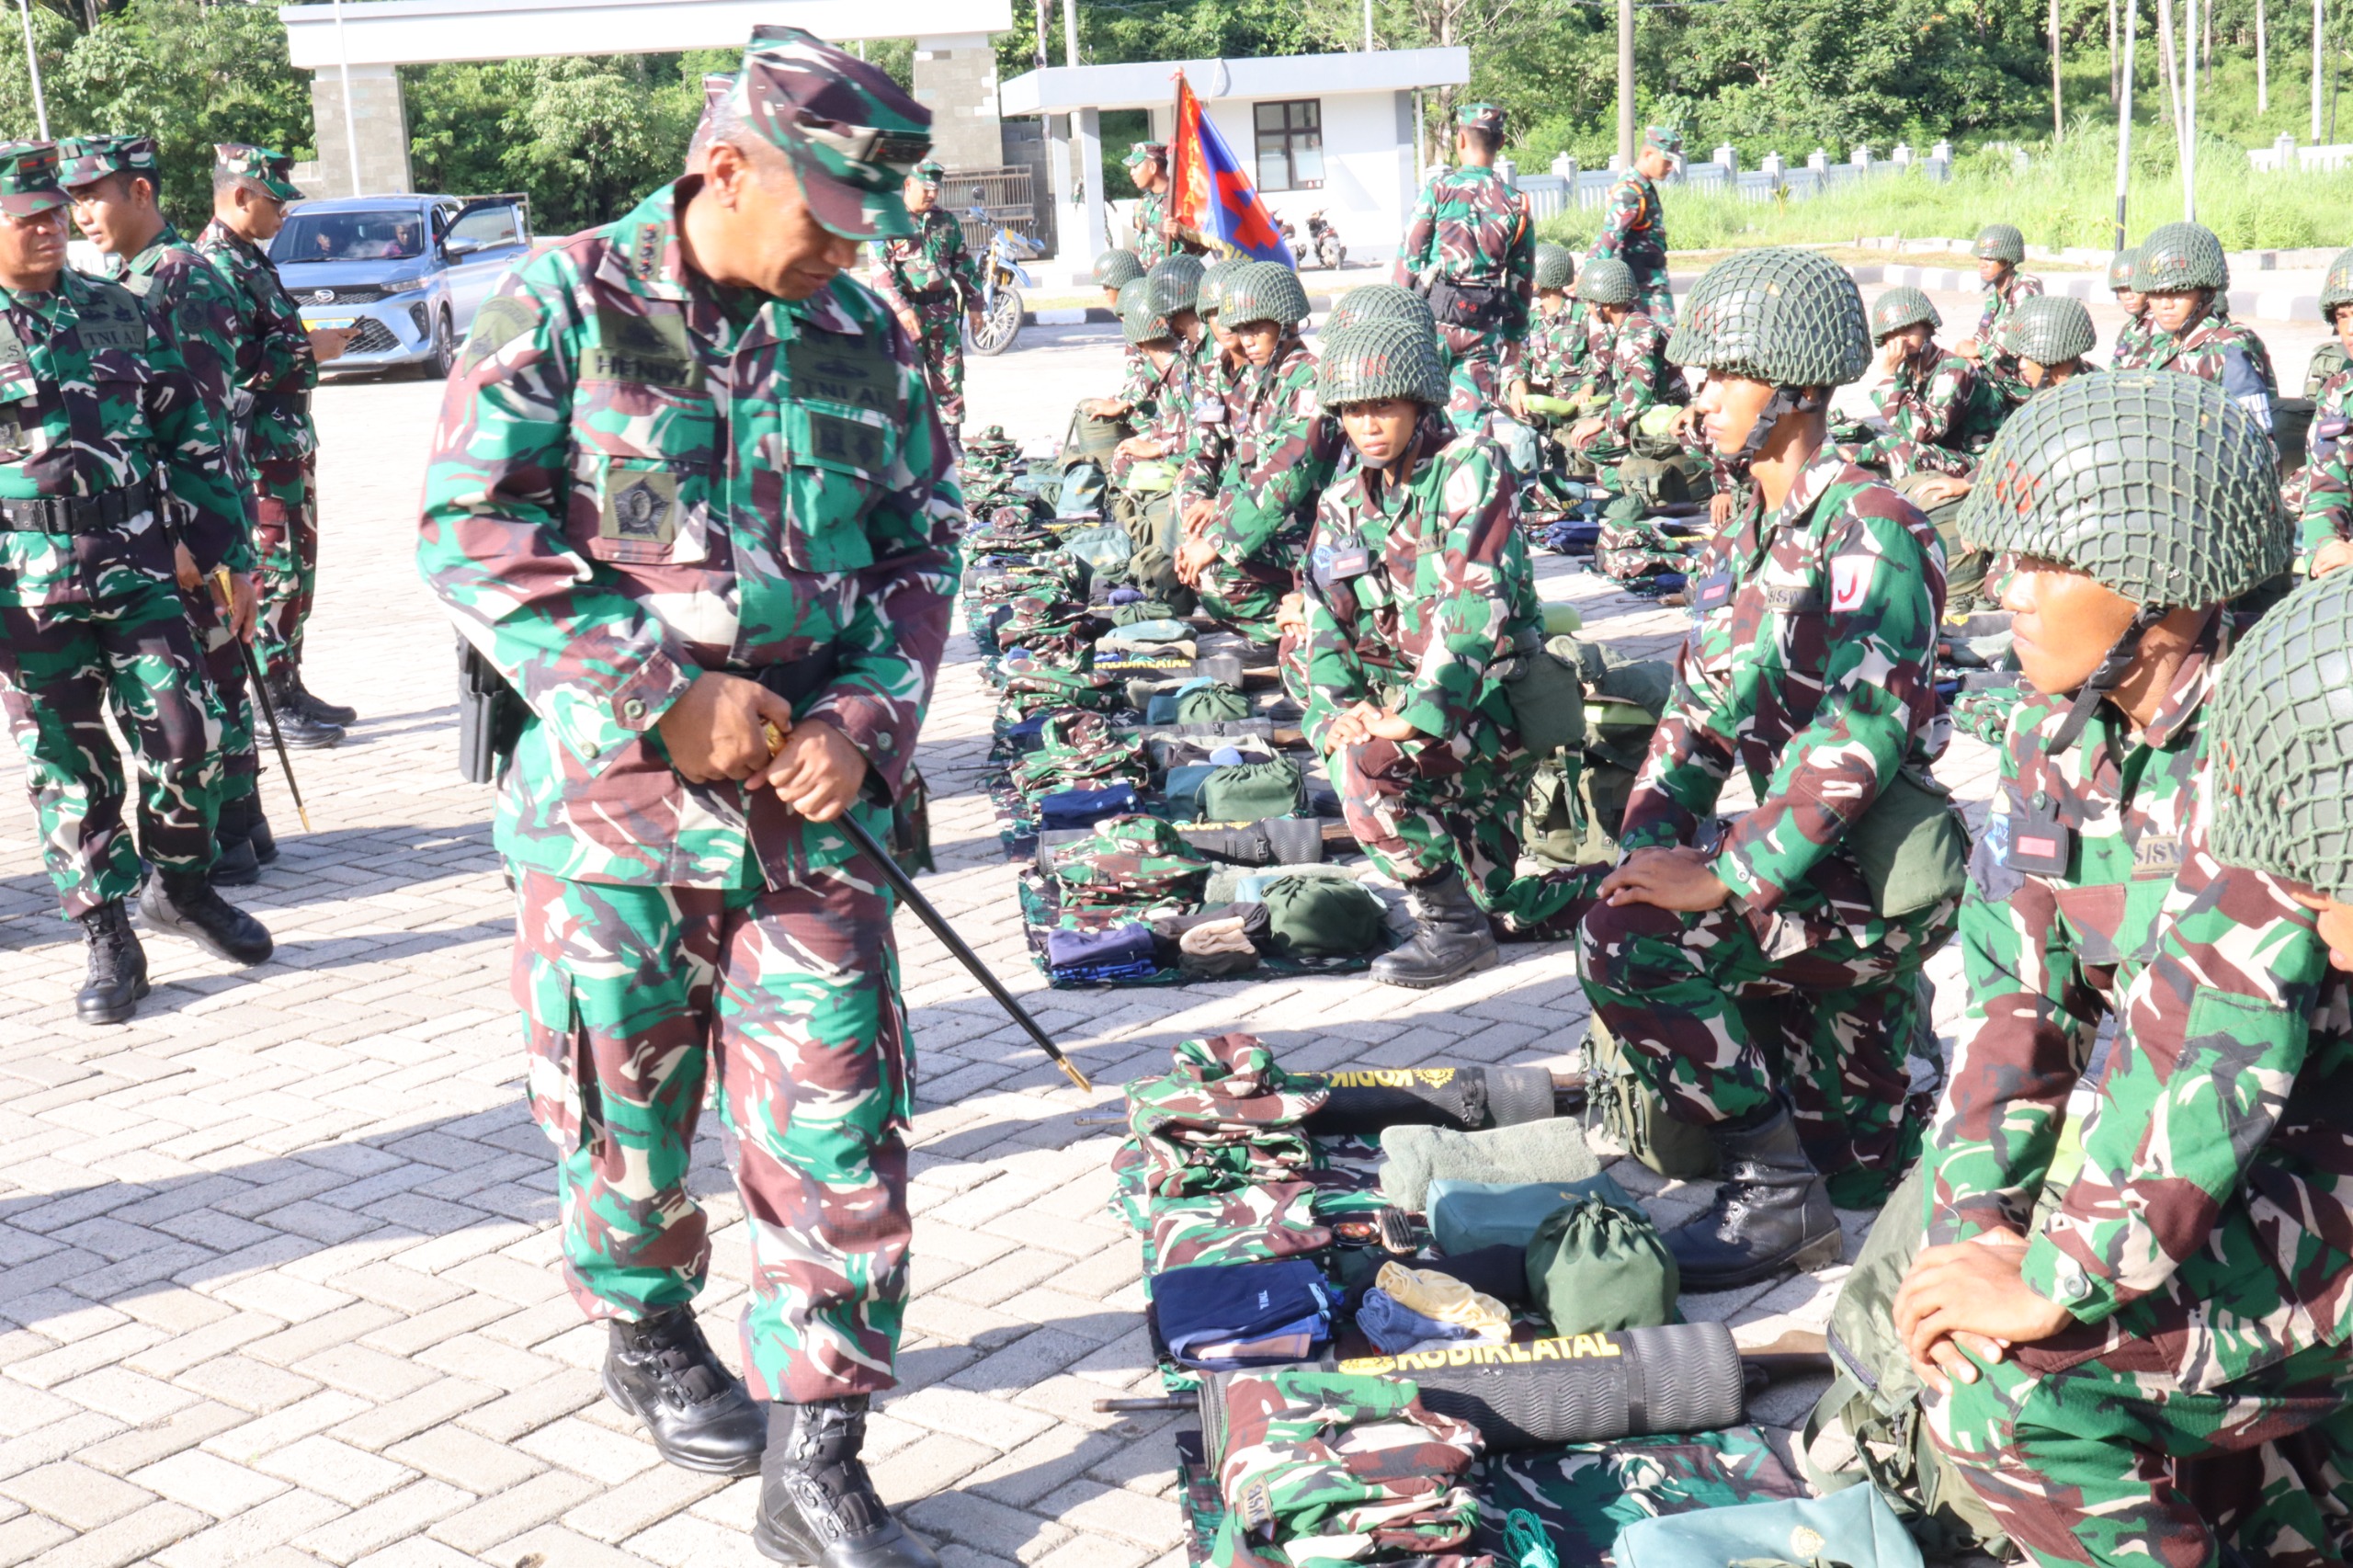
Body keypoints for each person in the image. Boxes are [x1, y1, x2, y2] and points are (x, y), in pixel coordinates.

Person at [415, 31, 960, 1567]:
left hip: (813, 819)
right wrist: (659, 689)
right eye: (830, 209)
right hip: (617, 820)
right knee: (624, 1122)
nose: (851, 243)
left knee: (840, 1129)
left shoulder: (862, 331)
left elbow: (922, 552)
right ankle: (649, 1330)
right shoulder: (566, 301)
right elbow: (468, 526)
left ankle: (820, 1453)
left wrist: (864, 718)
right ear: (728, 166)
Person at [1899, 562, 2353, 1568]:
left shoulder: (2290, 728)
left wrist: (2058, 1280)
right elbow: (2011, 1005)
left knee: (2012, 1385)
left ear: (2168, 593)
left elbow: (2207, 1047)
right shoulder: (2054, 735)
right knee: (1944, 1296)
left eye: (2053, 564)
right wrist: (1973, 1226)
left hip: (2298, 1177)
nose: (2010, 593)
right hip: (2243, 1169)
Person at [1579, 246, 1955, 1286]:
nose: (1695, 402)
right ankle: (1853, 1094)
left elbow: (1857, 737)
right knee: (1862, 1155)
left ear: (1791, 390)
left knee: (1634, 945)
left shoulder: (1871, 530)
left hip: (1873, 875)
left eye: (1720, 378)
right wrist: (1652, 842)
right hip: (1803, 860)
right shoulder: (1745, 524)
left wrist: (1720, 878)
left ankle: (1775, 1193)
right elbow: (1697, 711)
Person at [0, 140, 274, 1024]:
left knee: (186, 736)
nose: (50, 229)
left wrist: (222, 545)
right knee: (68, 772)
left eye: (53, 214)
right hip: (25, 592)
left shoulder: (114, 307)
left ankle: (183, 888)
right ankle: (110, 936)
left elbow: (185, 429)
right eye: (27, 219)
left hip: (137, 563)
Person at [1300, 316, 1555, 987]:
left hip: (1484, 708)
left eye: (1383, 406)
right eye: (1353, 410)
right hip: (1405, 716)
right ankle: (1455, 914)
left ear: (1419, 401)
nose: (1368, 425)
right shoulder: (1341, 502)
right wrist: (1340, 709)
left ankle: (1456, 931)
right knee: (1353, 753)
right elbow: (1323, 620)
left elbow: (1475, 605)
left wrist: (1417, 713)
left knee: (1500, 900)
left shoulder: (1468, 466)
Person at [59, 133, 276, 889]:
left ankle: (227, 832)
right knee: (214, 666)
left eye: (96, 195)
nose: (82, 212)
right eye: (74, 199)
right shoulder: (134, 278)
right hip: (168, 523)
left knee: (208, 674)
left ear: (141, 194)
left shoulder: (178, 279)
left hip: (189, 522)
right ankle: (241, 825)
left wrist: (200, 537)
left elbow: (201, 422)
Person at [199, 143, 353, 744]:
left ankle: (288, 683)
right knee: (272, 571)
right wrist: (314, 351)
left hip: (286, 443)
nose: (283, 214)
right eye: (275, 201)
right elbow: (234, 363)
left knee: (296, 569)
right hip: (258, 450)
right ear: (240, 196)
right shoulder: (216, 265)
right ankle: (266, 704)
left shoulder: (250, 260)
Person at [1176, 262, 1335, 640]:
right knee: (1202, 560)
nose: (1246, 339)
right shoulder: (1265, 379)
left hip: (1321, 530)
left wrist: (1216, 541)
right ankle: (1294, 634)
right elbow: (1241, 468)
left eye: (1256, 327)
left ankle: (1306, 639)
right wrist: (1212, 523)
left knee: (1216, 573)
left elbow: (1285, 476)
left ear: (1285, 322)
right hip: (1283, 523)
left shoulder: (1308, 379)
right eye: (1241, 329)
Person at [1395, 102, 1533, 406]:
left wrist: (1395, 319)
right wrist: (1514, 335)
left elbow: (1410, 260)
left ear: (1460, 140)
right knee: (1473, 428)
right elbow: (1521, 279)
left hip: (1434, 327)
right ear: (1502, 142)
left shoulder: (1438, 190)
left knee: (1423, 415)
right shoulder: (1517, 203)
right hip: (1483, 327)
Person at [2131, 220, 2277, 431]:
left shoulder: (2230, 350)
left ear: (2206, 292)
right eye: (2156, 294)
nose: (2165, 304)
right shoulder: (2155, 347)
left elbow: (2257, 438)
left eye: (2178, 292)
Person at [872, 158, 981, 437]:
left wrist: (976, 305)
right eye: (926, 189)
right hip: (908, 316)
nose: (932, 195)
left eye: (936, 189)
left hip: (944, 312)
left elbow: (964, 265)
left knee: (950, 376)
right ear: (908, 185)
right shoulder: (888, 220)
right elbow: (881, 275)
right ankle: (911, 441)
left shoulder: (946, 221)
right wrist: (900, 308)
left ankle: (951, 438)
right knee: (907, 379)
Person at [1560, 256, 1687, 487]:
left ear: (1603, 304)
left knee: (1590, 445)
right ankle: (1645, 474)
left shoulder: (1637, 332)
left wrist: (1601, 422)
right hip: (1647, 412)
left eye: (1589, 303)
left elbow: (1639, 393)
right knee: (1602, 473)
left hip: (1659, 417)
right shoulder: (1627, 326)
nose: (1587, 309)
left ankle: (1658, 475)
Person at [2294, 245, 2353, 581]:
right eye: (2342, 316)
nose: (2349, 330)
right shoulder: (2340, 392)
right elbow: (2326, 486)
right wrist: (2324, 549)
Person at [1587, 125, 1679, 324]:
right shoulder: (1631, 191)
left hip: (1651, 284)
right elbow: (1610, 238)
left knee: (1664, 345)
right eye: (1667, 160)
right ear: (1648, 154)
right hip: (1642, 290)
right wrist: (1586, 278)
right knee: (1664, 343)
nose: (1670, 167)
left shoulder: (1642, 187)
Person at [1956, 223, 2042, 379]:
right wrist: (1966, 352)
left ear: (2008, 261)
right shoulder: (1994, 298)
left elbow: (2013, 336)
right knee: (1955, 368)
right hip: (1999, 374)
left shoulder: (2026, 287)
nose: (1982, 264)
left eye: (1990, 259)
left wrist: (1979, 350)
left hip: (2022, 378)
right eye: (1981, 258)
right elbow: (1980, 337)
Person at [1125, 142, 1186, 266]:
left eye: (1135, 167)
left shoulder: (1181, 202)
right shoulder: (1142, 203)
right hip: (1143, 280)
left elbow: (1202, 248)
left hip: (1172, 280)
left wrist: (1180, 234)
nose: (1131, 173)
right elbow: (1139, 246)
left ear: (1152, 167)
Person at [2105, 248, 2153, 369]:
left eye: (2134, 289)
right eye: (2122, 290)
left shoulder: (2162, 326)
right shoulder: (2130, 328)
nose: (2128, 296)